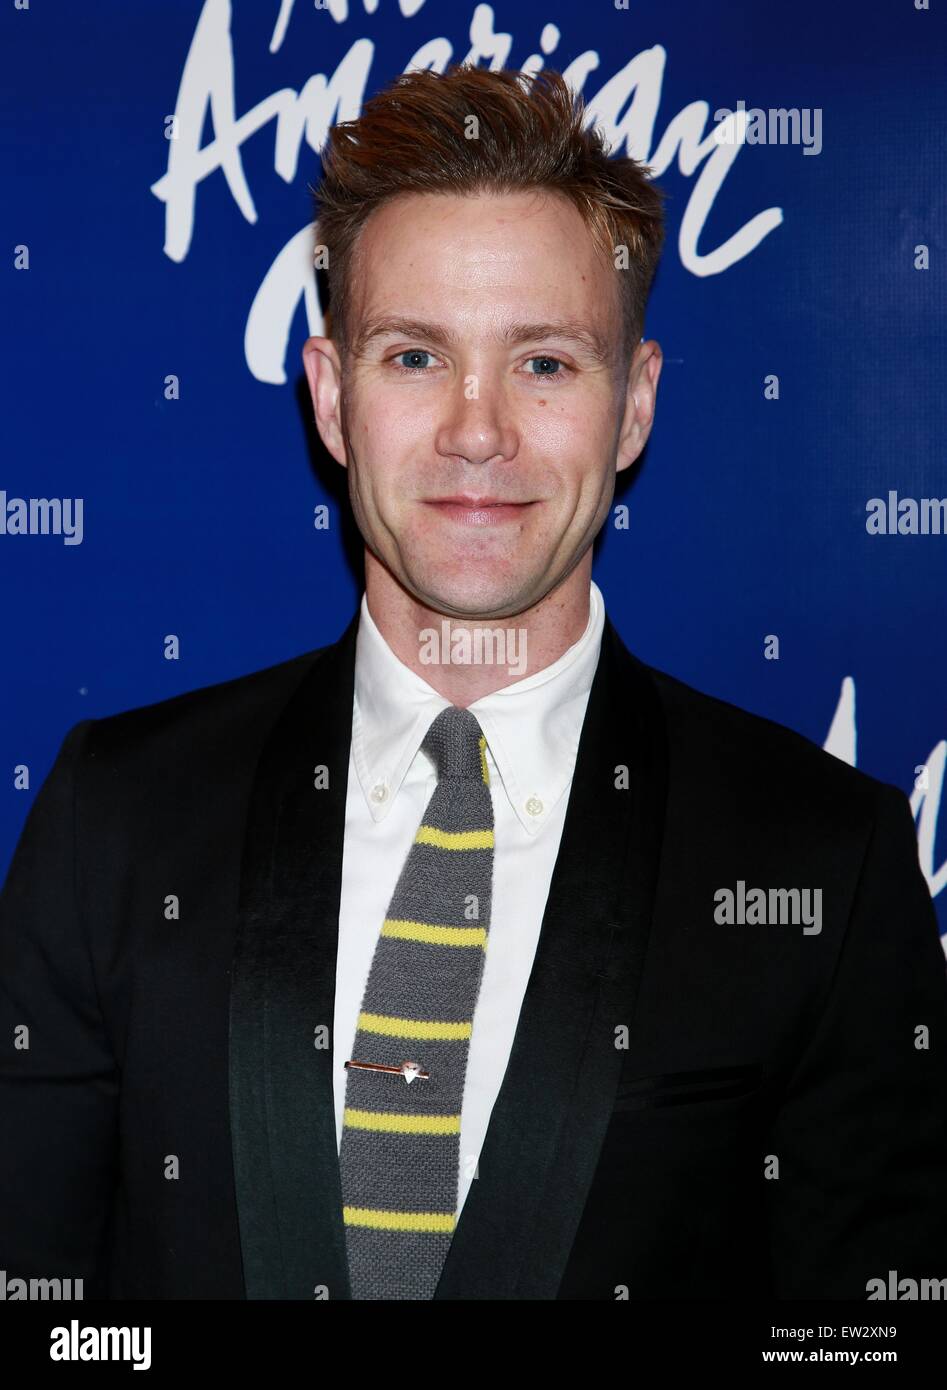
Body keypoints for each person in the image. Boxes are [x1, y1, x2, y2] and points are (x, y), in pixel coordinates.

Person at [1, 65, 945, 1302]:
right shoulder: (112, 817)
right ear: (332, 398)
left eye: (545, 364)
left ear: (633, 408)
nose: (476, 430)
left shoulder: (827, 856)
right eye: (412, 357)